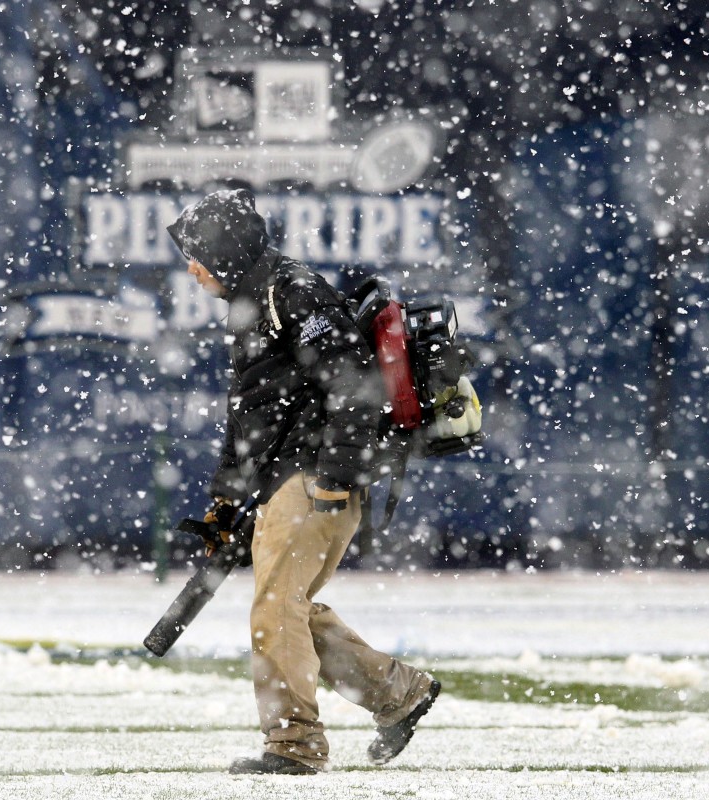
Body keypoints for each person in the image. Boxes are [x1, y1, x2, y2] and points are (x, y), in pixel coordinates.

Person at [166, 188, 441, 775]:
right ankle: (398, 693)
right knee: (288, 607)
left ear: (225, 254)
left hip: (315, 477)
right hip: (293, 477)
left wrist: (336, 477)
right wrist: (226, 501)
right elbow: (254, 417)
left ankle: (293, 746)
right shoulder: (256, 297)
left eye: (199, 257)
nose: (192, 269)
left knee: (275, 609)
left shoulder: (291, 292)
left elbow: (353, 386)